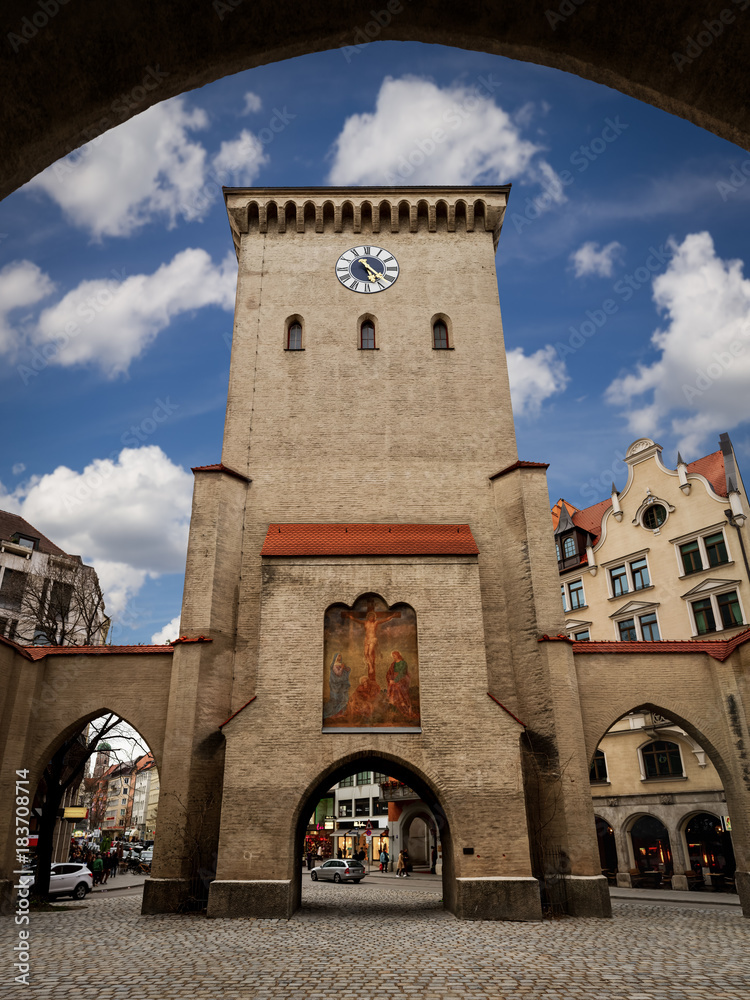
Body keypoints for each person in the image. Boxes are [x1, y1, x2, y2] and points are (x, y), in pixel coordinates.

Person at [323, 653, 351, 719]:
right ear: (335, 658)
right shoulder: (334, 665)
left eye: (340, 657)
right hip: (336, 686)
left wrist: (346, 669)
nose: (339, 658)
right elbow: (338, 674)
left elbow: (346, 671)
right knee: (336, 700)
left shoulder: (341, 664)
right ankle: (333, 713)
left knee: (343, 699)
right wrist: (342, 668)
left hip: (342, 685)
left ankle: (340, 713)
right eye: (338, 657)